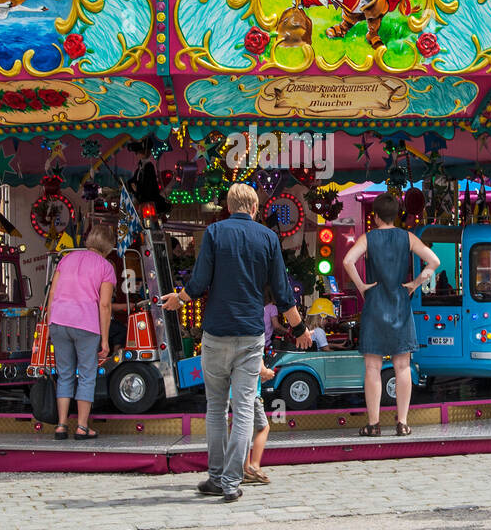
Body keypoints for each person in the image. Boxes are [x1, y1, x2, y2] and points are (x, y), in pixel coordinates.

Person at [160, 184, 310, 502]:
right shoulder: (268, 238)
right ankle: (231, 482)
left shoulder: (215, 233)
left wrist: (179, 299)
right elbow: (283, 293)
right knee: (243, 409)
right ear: (254, 209)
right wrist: (300, 330)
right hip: (250, 333)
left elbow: (199, 281)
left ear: (229, 207)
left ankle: (216, 477)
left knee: (215, 408)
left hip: (216, 332)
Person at [342, 192, 441, 437]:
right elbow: (434, 262)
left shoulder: (369, 238)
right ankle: (403, 423)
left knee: (373, 367)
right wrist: (416, 283)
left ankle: (374, 424)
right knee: (403, 365)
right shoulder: (407, 237)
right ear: (396, 215)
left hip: (375, 304)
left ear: (375, 216)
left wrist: (362, 285)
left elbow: (347, 261)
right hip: (399, 302)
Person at [48, 224, 116, 440]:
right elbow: (104, 305)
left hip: (59, 320)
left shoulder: (67, 258)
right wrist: (105, 340)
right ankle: (82, 426)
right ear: (109, 246)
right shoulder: (106, 267)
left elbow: (52, 292)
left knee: (65, 374)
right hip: (85, 324)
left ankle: (60, 425)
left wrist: (50, 321)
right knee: (87, 375)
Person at [243, 364, 276, 485]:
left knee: (244, 429)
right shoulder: (255, 344)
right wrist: (267, 372)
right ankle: (255, 465)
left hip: (236, 393)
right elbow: (258, 365)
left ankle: (245, 468)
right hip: (251, 394)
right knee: (263, 427)